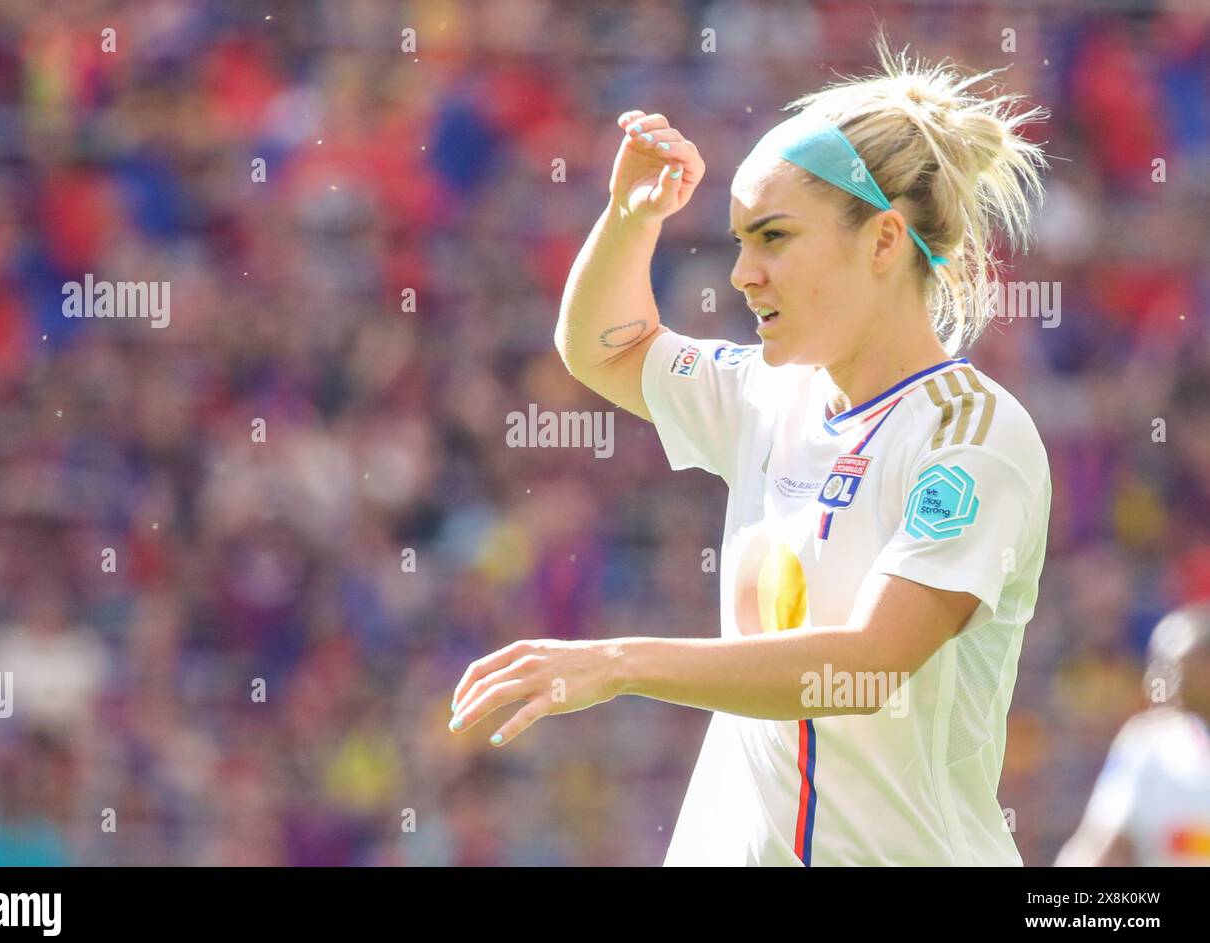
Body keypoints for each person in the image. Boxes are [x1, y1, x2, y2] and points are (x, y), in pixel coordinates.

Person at [449, 35, 1052, 865]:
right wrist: (632, 219)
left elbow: (868, 668)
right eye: (737, 240)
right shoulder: (769, 393)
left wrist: (618, 663)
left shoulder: (972, 436)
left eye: (772, 237)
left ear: (882, 243)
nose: (741, 274)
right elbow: (603, 347)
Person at [1056, 603, 1210, 866]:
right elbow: (1102, 846)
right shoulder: (1149, 743)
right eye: (1157, 665)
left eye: (1172, 666)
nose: (1156, 679)